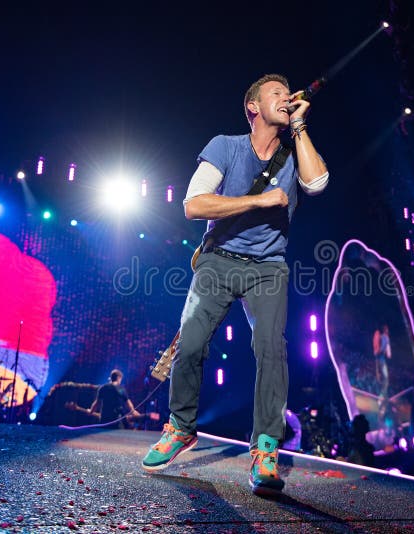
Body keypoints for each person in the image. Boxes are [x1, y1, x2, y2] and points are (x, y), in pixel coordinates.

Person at [142, 73, 329, 497]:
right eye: (275, 94)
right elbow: (194, 205)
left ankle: (265, 449)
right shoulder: (225, 146)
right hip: (218, 259)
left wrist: (300, 126)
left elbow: (317, 183)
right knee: (190, 344)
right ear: (252, 108)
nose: (285, 98)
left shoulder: (294, 150)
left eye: (288, 94)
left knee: (271, 347)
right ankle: (181, 427)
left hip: (268, 266)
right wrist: (259, 199)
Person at [372, 324, 391, 399]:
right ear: (385, 330)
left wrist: (388, 352)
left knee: (383, 378)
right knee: (384, 378)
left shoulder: (386, 338)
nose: (387, 331)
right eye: (386, 329)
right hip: (380, 360)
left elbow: (386, 348)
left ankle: (381, 395)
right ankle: (381, 395)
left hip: (381, 359)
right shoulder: (382, 337)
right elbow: (378, 349)